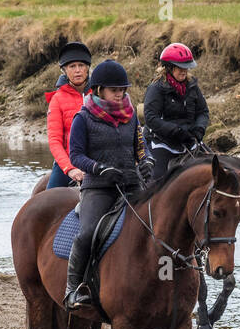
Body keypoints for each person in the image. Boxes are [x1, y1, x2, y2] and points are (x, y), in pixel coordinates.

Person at [64, 59, 150, 312]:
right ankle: (72, 289)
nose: (121, 94)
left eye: (123, 90)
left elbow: (141, 148)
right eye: (115, 90)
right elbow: (76, 156)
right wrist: (100, 168)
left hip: (131, 183)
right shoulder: (83, 118)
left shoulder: (131, 115)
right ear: (99, 90)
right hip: (98, 187)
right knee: (88, 233)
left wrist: (147, 162)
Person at [142, 43, 210, 181]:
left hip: (189, 140)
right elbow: (151, 118)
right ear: (168, 68)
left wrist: (199, 130)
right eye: (180, 67)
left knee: (217, 169)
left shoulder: (192, 86)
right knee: (157, 181)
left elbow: (203, 111)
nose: (184, 71)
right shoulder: (156, 88)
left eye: (186, 67)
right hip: (162, 142)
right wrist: (176, 132)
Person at [45, 41, 91, 190]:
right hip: (68, 163)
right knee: (47, 203)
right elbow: (54, 140)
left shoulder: (100, 94)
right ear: (65, 70)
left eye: (81, 65)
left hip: (97, 160)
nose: (77, 70)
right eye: (72, 66)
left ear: (87, 68)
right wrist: (69, 168)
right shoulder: (56, 99)